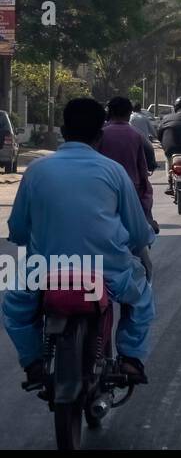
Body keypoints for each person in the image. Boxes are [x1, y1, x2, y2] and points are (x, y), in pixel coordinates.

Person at [3, 98, 156, 387]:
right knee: (142, 300)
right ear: (100, 134)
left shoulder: (36, 171)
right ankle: (131, 360)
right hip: (107, 272)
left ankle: (34, 363)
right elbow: (137, 231)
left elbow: (19, 229)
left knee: (15, 308)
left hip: (47, 271)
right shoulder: (114, 172)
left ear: (63, 130)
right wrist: (143, 247)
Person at [99, 96, 159, 234]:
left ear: (109, 113)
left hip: (103, 189)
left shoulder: (100, 133)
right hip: (132, 188)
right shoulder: (136, 135)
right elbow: (146, 162)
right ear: (128, 113)